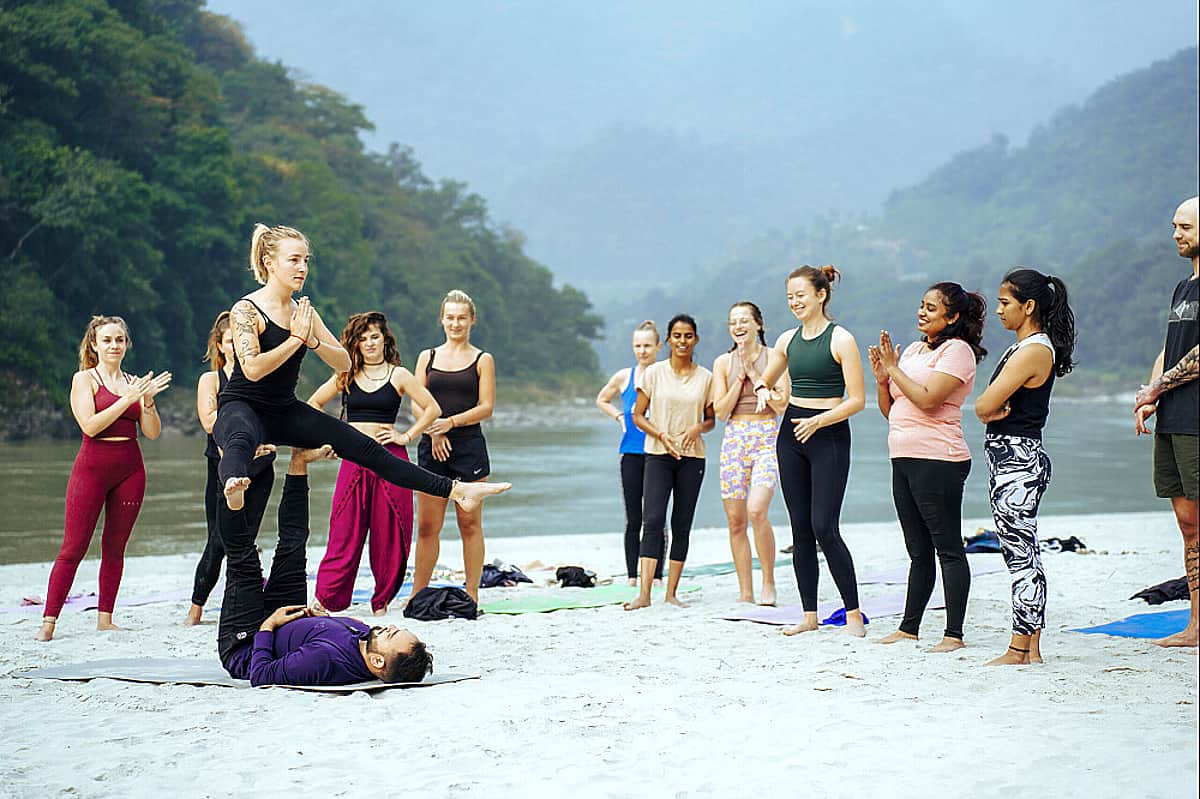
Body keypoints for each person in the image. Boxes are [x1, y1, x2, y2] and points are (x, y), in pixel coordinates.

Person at [211, 225, 506, 519]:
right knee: (239, 437)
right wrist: (295, 340)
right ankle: (235, 483)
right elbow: (251, 370)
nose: (302, 268)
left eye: (306, 260)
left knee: (367, 449)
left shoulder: (305, 313)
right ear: (268, 262)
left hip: (284, 409)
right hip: (241, 404)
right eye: (294, 260)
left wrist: (312, 340)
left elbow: (344, 364)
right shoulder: (246, 310)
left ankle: (458, 490)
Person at [219, 445, 433, 686]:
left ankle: (232, 502)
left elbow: (260, 676)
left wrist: (268, 625)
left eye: (392, 634)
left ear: (377, 662)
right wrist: (323, 619)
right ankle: (299, 462)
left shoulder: (324, 661)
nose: (390, 626)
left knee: (244, 562)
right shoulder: (368, 642)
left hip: (246, 642)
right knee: (294, 546)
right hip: (287, 618)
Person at [35, 316, 172, 641]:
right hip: (92, 469)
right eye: (108, 340)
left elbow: (152, 433)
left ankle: (105, 619)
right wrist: (127, 399)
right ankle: (49, 622)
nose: (114, 345)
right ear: (94, 345)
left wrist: (147, 400)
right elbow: (90, 426)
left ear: (126, 344)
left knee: (115, 547)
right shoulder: (84, 380)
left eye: (120, 340)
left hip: (130, 469)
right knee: (73, 547)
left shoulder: (135, 382)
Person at [868, 282, 987, 653]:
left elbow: (928, 399)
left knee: (947, 547)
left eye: (932, 308)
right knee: (918, 549)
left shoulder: (959, 352)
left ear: (952, 317)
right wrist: (882, 380)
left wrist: (893, 368)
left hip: (939, 459)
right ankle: (909, 628)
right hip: (903, 455)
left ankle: (954, 635)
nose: (922, 312)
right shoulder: (917, 349)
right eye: (922, 305)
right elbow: (893, 410)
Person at [753, 266, 867, 636]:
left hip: (828, 434)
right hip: (791, 434)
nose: (794, 302)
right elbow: (763, 380)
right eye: (789, 297)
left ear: (821, 295)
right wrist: (764, 394)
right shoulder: (787, 340)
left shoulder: (841, 339)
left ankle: (852, 612)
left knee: (824, 527)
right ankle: (809, 615)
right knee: (800, 529)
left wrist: (819, 421)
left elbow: (857, 401)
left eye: (801, 295)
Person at [307, 311, 442, 615]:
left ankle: (381, 601)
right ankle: (326, 600)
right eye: (362, 338)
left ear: (385, 339)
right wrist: (331, 436)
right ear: (355, 343)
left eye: (374, 336)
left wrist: (406, 435)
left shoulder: (399, 375)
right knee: (344, 531)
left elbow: (432, 408)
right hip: (353, 459)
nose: (369, 343)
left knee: (391, 531)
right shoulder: (346, 374)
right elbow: (313, 404)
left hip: (389, 459)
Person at [974, 269, 1076, 665]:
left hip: (1017, 461)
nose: (999, 310)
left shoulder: (1034, 349)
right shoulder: (1025, 347)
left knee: (1020, 555)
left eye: (1005, 303)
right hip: (1013, 458)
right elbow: (987, 407)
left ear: (1028, 306)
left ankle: (1019, 647)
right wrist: (990, 408)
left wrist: (990, 409)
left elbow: (984, 406)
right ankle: (1030, 647)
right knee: (1023, 552)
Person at [1133, 196, 1199, 648]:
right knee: (1187, 521)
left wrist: (1161, 387)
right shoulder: (1183, 288)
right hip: (1173, 417)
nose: (1176, 234)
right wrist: (1149, 393)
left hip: (1197, 420)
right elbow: (1170, 347)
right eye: (1175, 226)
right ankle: (1196, 624)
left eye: (1186, 227)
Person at [187, 312, 275, 626]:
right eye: (229, 342)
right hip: (221, 468)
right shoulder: (211, 380)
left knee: (246, 539)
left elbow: (276, 416)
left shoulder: (262, 378)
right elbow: (210, 421)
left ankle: (238, 605)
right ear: (220, 346)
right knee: (219, 539)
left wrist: (271, 439)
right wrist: (243, 443)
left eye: (241, 341)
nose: (236, 348)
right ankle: (196, 608)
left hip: (260, 468)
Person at [409, 290, 497, 605]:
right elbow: (417, 402)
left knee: (469, 523)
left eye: (461, 318)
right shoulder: (427, 357)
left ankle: (472, 592)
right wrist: (434, 431)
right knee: (428, 525)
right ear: (441, 319)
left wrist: (450, 423)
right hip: (431, 445)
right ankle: (418, 593)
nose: (455, 323)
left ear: (471, 320)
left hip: (469, 446)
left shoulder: (482, 359)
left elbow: (486, 406)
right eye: (450, 317)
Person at [624, 314, 715, 611]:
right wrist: (661, 435)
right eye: (677, 336)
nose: (682, 341)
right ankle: (644, 593)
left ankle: (672, 592)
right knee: (651, 521)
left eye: (688, 336)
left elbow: (711, 420)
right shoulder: (653, 373)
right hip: (658, 455)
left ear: (696, 339)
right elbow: (637, 416)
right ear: (668, 340)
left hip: (692, 458)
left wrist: (696, 428)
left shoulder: (706, 377)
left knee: (682, 524)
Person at [712, 302, 787, 605]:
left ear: (759, 324)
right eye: (733, 322)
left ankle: (768, 581)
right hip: (734, 439)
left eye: (744, 320)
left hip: (768, 435)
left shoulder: (775, 358)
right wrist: (740, 378)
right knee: (736, 520)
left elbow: (782, 405)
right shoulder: (722, 363)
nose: (738, 326)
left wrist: (755, 372)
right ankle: (746, 590)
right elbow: (719, 412)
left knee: (757, 509)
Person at [596, 320, 665, 585]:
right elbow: (602, 398)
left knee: (655, 516)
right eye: (637, 345)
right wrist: (618, 417)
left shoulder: (664, 374)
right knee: (633, 517)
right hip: (631, 454)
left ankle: (657, 575)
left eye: (647, 345)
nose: (642, 351)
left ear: (658, 346)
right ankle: (632, 575)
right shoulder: (625, 376)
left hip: (658, 452)